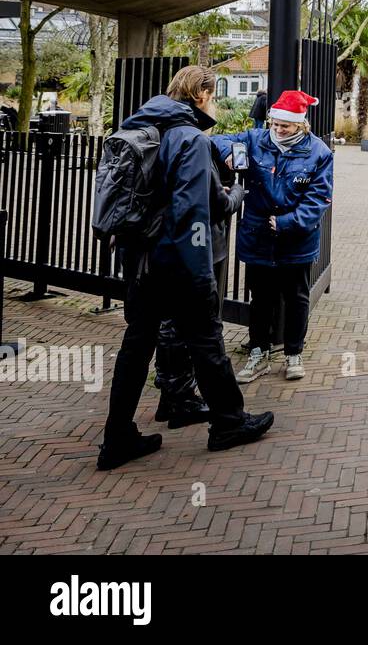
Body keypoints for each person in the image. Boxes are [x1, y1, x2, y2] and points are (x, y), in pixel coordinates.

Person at [97, 67, 274, 471]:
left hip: (141, 259)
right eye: (212, 94)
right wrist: (200, 274)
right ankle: (228, 422)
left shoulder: (146, 125)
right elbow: (192, 212)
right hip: (177, 261)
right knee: (207, 341)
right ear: (201, 94)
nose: (213, 101)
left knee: (137, 344)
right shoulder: (190, 137)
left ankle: (117, 436)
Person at [213, 90, 335, 384]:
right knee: (261, 299)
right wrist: (230, 151)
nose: (279, 130)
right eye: (275, 124)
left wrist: (288, 222)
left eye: (286, 125)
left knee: (296, 298)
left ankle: (294, 352)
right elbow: (216, 139)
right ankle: (258, 352)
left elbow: (318, 198)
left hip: (295, 239)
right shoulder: (256, 139)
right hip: (258, 236)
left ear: (300, 125)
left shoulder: (319, 152)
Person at [153, 138, 245, 428]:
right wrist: (237, 193)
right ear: (202, 97)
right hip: (198, 248)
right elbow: (216, 205)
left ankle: (172, 395)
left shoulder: (162, 136)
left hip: (166, 245)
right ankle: (220, 416)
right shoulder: (195, 142)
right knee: (205, 331)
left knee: (170, 322)